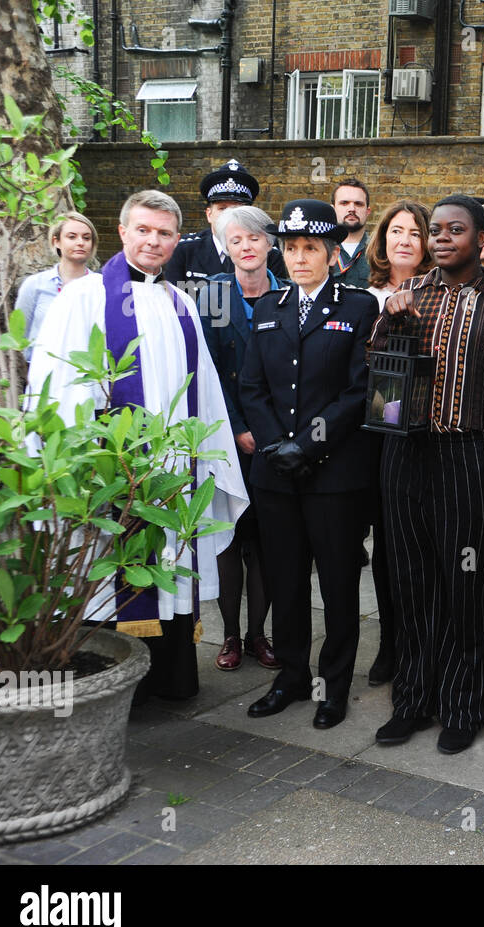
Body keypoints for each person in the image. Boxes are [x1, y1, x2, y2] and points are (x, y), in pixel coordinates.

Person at [27, 190, 248, 702]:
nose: (153, 241)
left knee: (170, 560)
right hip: (111, 469)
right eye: (143, 230)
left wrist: (209, 456)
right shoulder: (82, 297)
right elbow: (56, 384)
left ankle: (169, 678)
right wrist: (88, 459)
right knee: (109, 564)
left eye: (165, 233)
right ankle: (111, 682)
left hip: (172, 469)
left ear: (176, 240)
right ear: (123, 231)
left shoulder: (182, 302)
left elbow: (206, 393)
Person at [370, 195, 484, 755]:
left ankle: (463, 704)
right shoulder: (407, 296)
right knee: (410, 582)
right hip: (407, 456)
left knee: (468, 587)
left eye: (454, 229)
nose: (439, 238)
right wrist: (390, 325)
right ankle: (411, 701)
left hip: (472, 457)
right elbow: (381, 382)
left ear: (482, 238)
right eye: (434, 229)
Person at [239, 199, 378, 730]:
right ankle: (291, 676)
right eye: (290, 248)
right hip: (277, 473)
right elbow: (253, 385)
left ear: (328, 253)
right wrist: (279, 445)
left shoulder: (358, 306)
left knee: (339, 584)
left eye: (309, 249)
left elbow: (359, 389)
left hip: (334, 474)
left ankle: (333, 686)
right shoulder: (269, 307)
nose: (298, 258)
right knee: (284, 579)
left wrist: (310, 445)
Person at [196, 204, 286, 673]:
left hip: (275, 439)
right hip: (228, 439)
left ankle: (259, 635)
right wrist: (236, 429)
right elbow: (207, 372)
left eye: (255, 239)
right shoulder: (210, 295)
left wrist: (268, 432)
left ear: (269, 244)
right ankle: (230, 636)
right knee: (230, 539)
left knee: (265, 543)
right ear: (226, 247)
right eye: (237, 240)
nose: (247, 247)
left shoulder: (288, 295)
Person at [362, 199, 433, 686]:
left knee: (422, 549)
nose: (404, 239)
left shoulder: (438, 294)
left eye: (414, 232)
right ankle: (390, 643)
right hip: (374, 439)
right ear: (382, 240)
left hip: (425, 439)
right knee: (385, 549)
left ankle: (421, 643)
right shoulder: (359, 297)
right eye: (396, 231)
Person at [164, 159, 285, 287]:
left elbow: (277, 301)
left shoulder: (269, 252)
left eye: (238, 209)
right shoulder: (185, 250)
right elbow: (175, 303)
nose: (230, 215)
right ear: (209, 214)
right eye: (222, 208)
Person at [17, 212, 99, 361]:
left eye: (86, 238)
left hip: (88, 377)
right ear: (56, 241)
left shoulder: (101, 286)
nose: (80, 242)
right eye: (72, 236)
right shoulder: (35, 285)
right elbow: (19, 338)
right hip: (43, 376)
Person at [330, 178, 372, 287]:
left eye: (358, 204)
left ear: (367, 211)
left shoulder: (381, 251)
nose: (352, 209)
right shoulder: (322, 249)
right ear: (333, 209)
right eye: (344, 203)